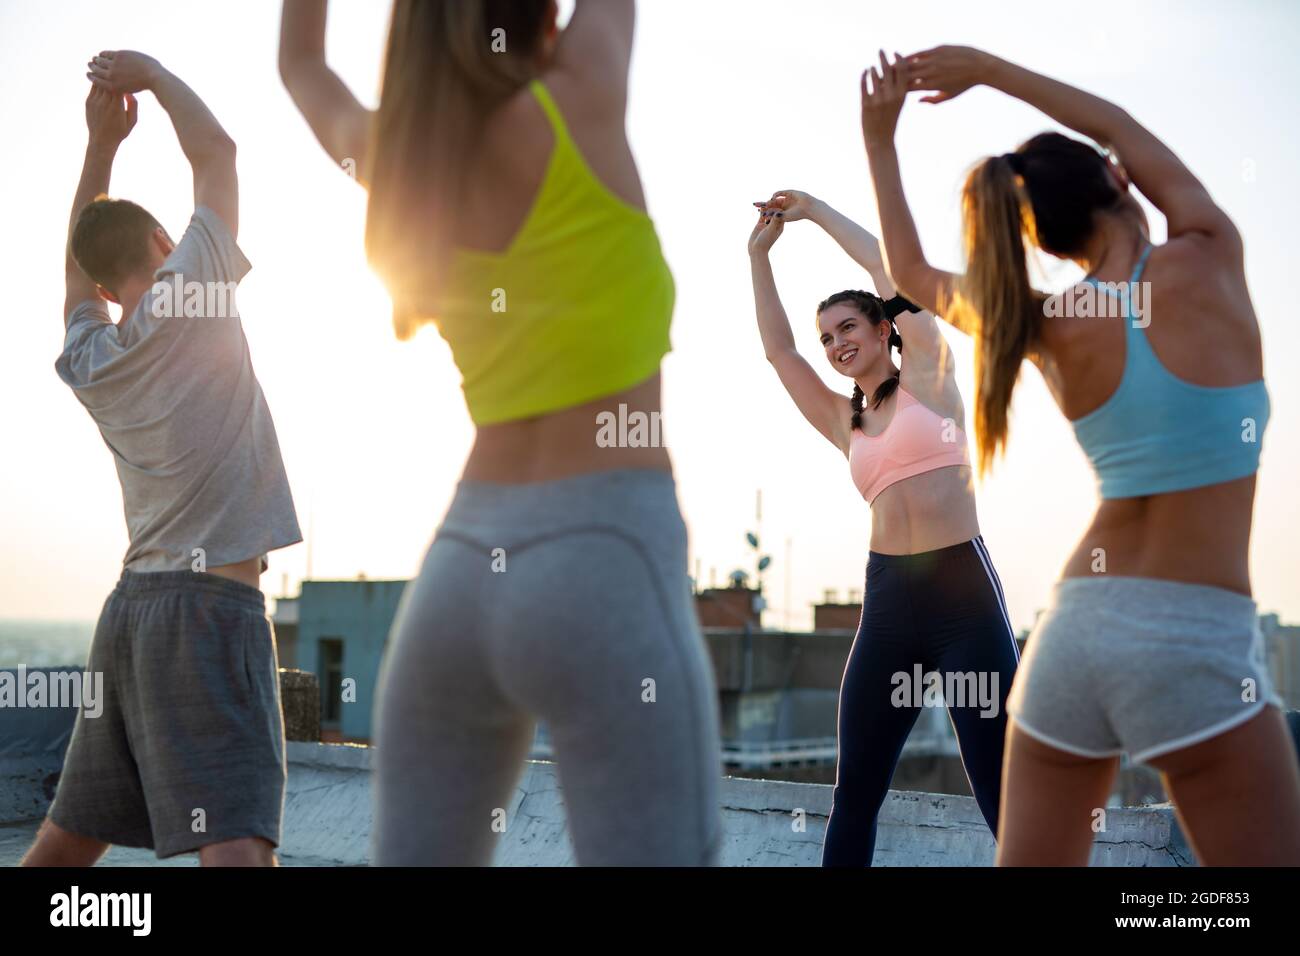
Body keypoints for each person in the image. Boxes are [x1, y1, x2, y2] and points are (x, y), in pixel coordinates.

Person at [279, 0, 721, 865]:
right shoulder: (576, 100)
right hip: (602, 553)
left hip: (458, 576)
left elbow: (302, 64)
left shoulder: (403, 167)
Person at [861, 46, 1300, 864]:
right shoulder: (1208, 250)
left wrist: (879, 136)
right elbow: (1118, 123)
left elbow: (911, 273)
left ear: (1048, 240)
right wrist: (987, 69)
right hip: (1192, 638)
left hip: (1073, 639)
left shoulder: (1044, 324)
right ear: (1118, 178)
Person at [23, 53, 300, 866]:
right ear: (160, 239)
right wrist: (151, 74)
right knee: (239, 845)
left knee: (69, 841)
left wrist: (97, 146)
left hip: (131, 615)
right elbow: (218, 153)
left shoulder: (91, 358)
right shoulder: (196, 288)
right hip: (209, 614)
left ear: (106, 290)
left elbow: (78, 267)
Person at [748, 190, 1018, 866]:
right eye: (829, 337)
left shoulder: (929, 373)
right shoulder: (850, 426)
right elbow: (780, 353)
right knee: (855, 797)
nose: (837, 344)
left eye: (848, 328)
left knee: (1003, 796)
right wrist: (759, 258)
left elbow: (893, 271)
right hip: (889, 608)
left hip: (963, 602)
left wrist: (813, 211)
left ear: (882, 329)